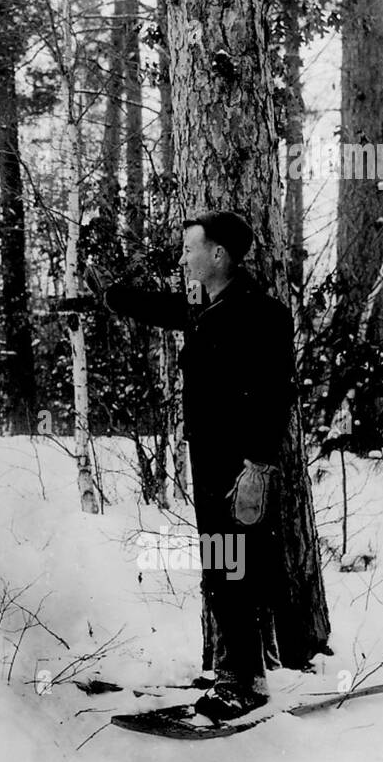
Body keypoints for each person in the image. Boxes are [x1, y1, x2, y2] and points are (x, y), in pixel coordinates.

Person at [62, 210, 295, 721]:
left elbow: (278, 395)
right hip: (207, 456)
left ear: (218, 255)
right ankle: (236, 669)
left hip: (242, 465)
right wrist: (113, 297)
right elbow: (165, 307)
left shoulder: (263, 313)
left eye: (191, 249)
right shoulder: (202, 303)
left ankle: (246, 681)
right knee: (219, 565)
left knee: (238, 568)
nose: (183, 258)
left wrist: (257, 466)